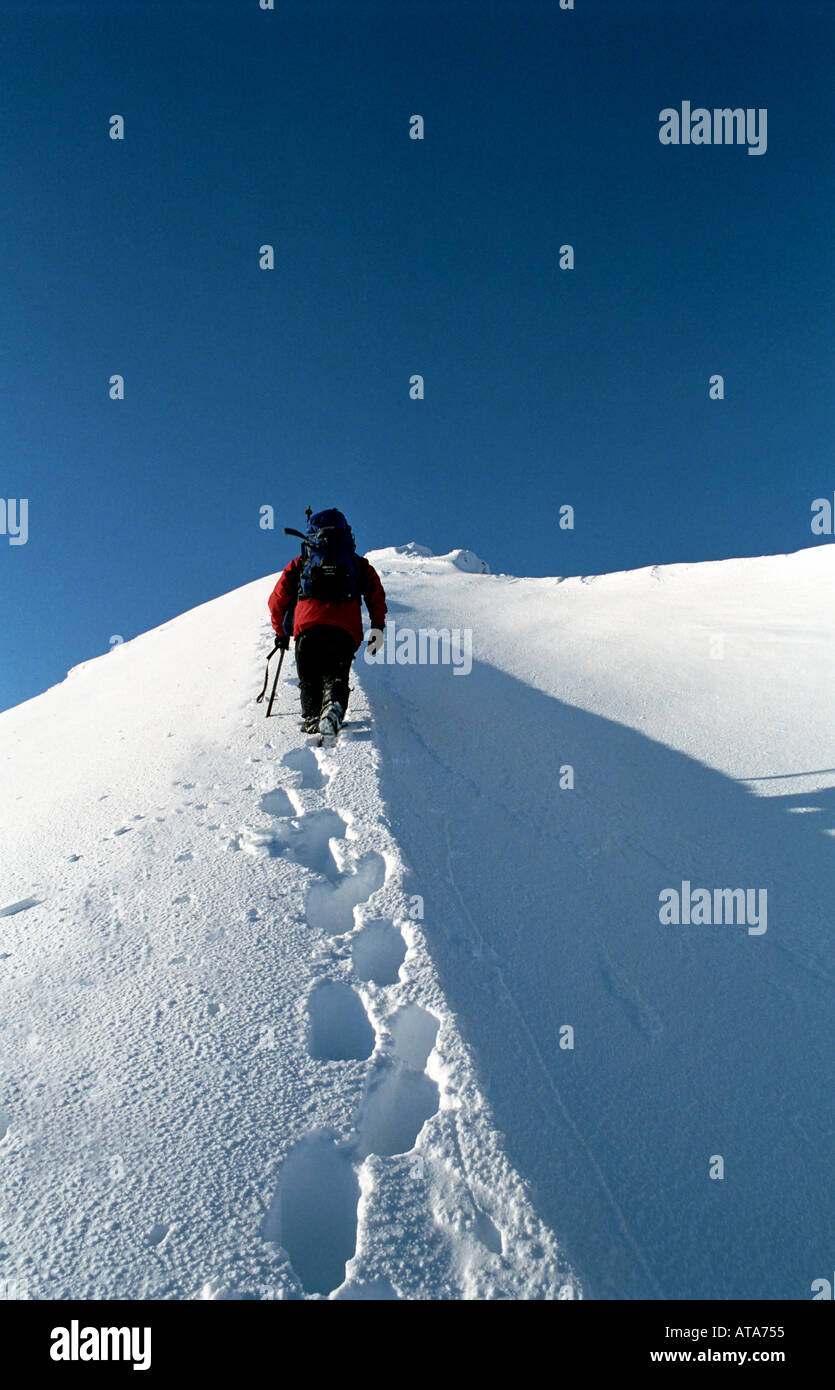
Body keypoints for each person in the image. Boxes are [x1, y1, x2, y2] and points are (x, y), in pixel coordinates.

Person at [268, 508, 387, 737]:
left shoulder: (301, 562)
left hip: (307, 626)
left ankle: (312, 717)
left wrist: (280, 633)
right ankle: (333, 705)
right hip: (344, 628)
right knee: (337, 672)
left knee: (309, 676)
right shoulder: (357, 564)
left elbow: (277, 600)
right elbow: (375, 594)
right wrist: (377, 626)